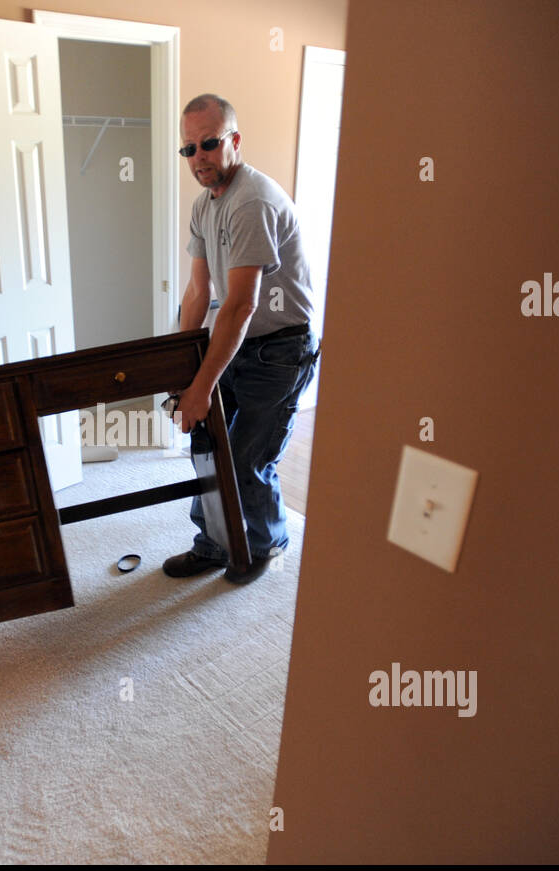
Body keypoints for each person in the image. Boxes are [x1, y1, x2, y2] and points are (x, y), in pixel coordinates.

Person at [166, 93, 320, 585]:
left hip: (279, 349)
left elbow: (240, 304)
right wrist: (179, 372)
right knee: (210, 448)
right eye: (189, 148)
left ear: (233, 140)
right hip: (236, 341)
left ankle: (264, 543)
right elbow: (197, 291)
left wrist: (200, 387)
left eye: (208, 144)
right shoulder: (203, 204)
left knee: (249, 460)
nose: (199, 158)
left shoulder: (251, 201)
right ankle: (214, 541)